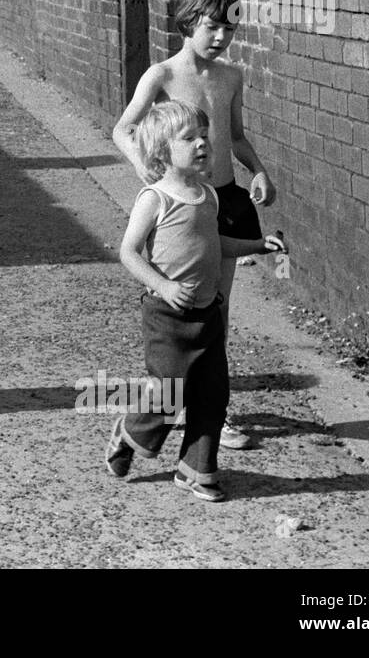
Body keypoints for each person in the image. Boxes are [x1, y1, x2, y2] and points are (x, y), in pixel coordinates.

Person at [111, 0, 277, 451]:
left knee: (217, 312)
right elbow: (124, 128)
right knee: (180, 311)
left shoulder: (231, 77)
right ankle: (170, 399)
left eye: (229, 28)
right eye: (211, 27)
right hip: (182, 209)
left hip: (224, 200)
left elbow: (236, 136)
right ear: (187, 22)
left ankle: (213, 412)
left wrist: (260, 171)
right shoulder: (162, 75)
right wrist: (147, 165)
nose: (221, 37)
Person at [106, 101, 286, 501]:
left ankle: (197, 469)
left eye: (204, 135)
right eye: (189, 138)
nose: (202, 143)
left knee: (212, 393)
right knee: (171, 394)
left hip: (207, 312)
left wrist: (256, 244)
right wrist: (165, 286)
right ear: (161, 150)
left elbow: (215, 243)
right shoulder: (154, 198)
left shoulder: (208, 195)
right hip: (167, 315)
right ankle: (130, 432)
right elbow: (129, 252)